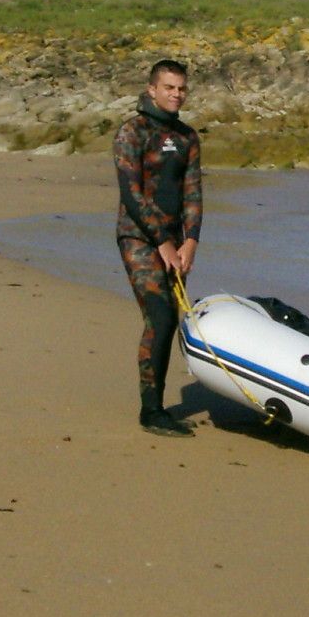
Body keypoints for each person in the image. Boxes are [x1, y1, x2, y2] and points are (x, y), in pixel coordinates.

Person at [113, 58, 201, 437]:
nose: (176, 94)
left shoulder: (187, 137)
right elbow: (131, 195)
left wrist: (191, 241)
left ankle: (158, 408)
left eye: (181, 88)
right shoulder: (132, 132)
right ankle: (151, 411)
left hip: (174, 242)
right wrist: (162, 242)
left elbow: (193, 192)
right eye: (169, 87)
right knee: (161, 316)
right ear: (152, 89)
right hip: (138, 236)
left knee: (172, 320)